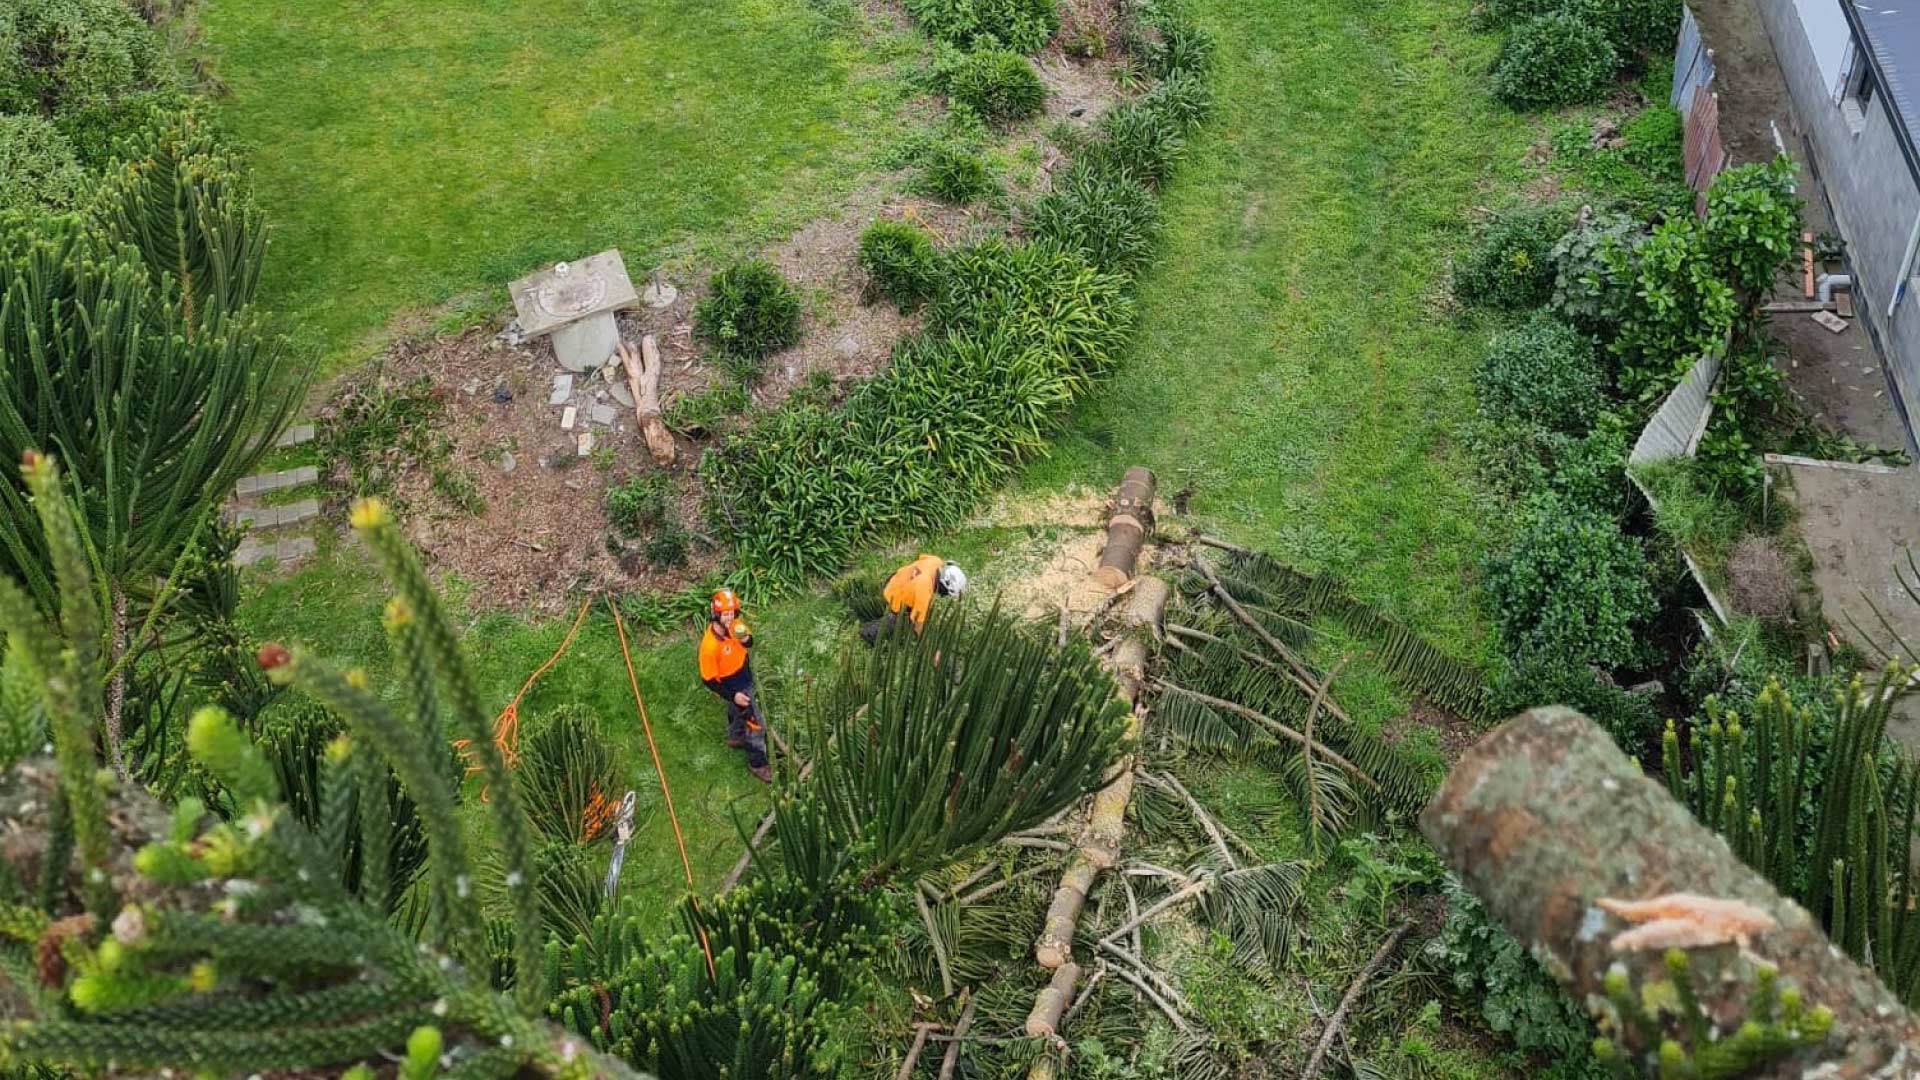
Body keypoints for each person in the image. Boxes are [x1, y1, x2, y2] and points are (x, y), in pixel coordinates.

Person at [698, 588, 769, 783]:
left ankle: (735, 736)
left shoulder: (736, 625)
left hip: (743, 674)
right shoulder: (709, 647)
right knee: (756, 725)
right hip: (733, 685)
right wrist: (733, 695)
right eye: (725, 614)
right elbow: (709, 680)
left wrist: (745, 639)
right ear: (716, 614)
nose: (730, 618)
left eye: (731, 613)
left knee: (735, 710)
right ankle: (758, 763)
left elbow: (749, 643)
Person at [862, 555, 967, 644]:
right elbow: (918, 627)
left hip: (896, 578)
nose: (945, 595)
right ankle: (868, 634)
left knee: (921, 610)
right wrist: (931, 650)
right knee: (898, 621)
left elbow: (921, 557)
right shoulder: (924, 592)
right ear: (944, 584)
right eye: (947, 592)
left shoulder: (936, 561)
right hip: (893, 594)